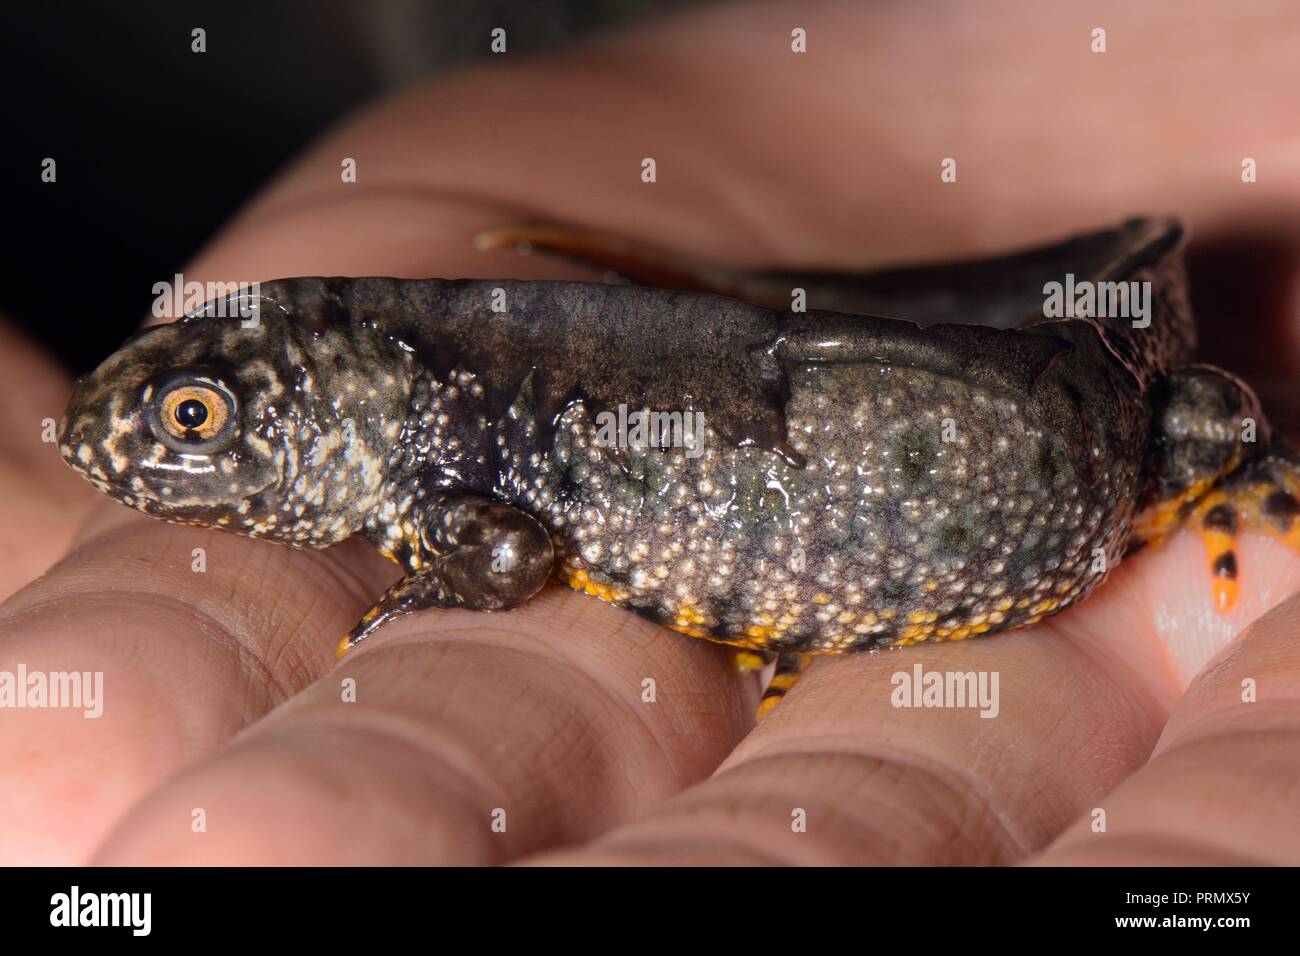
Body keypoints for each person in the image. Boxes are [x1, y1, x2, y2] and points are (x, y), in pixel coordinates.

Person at [2, 0, 1299, 865]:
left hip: (1072, 430)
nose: (167, 446)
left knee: (1193, 427)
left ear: (350, 399)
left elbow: (502, 563)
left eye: (195, 419)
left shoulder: (458, 478)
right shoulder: (456, 434)